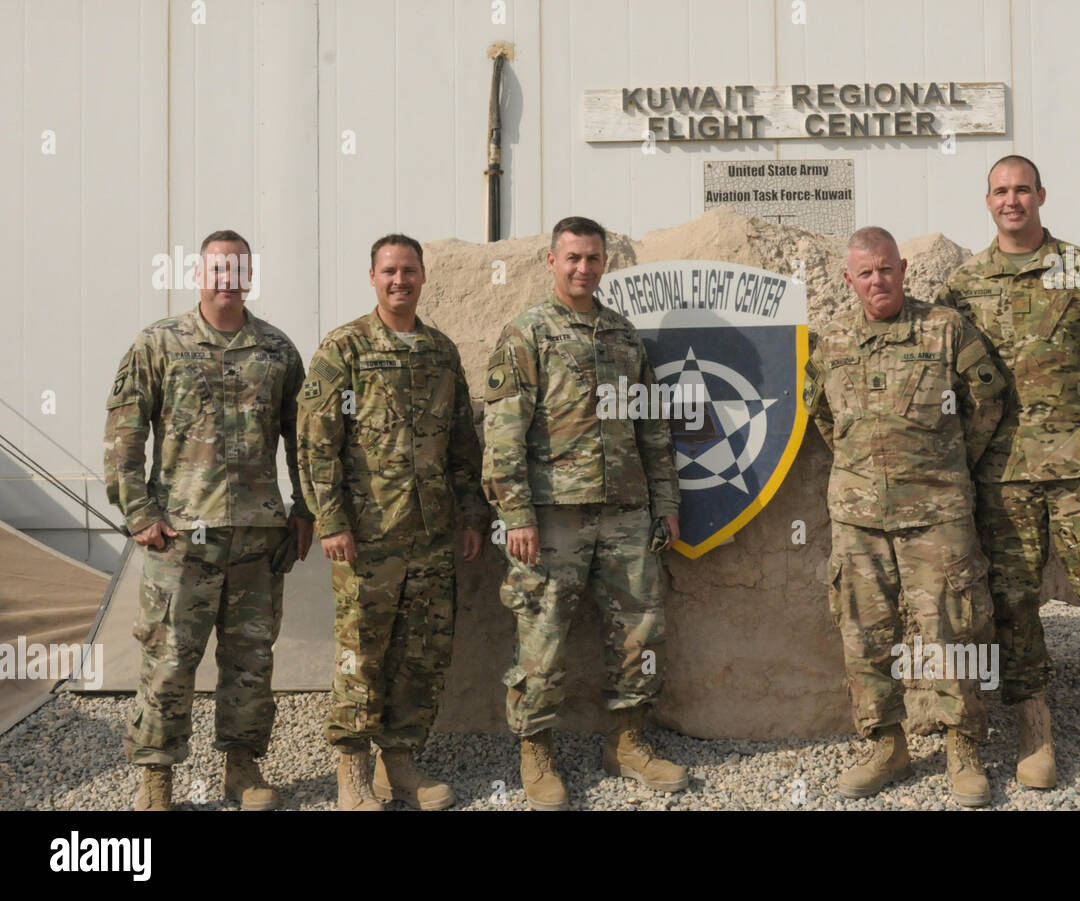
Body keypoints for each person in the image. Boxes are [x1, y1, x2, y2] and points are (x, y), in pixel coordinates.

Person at [934, 155, 1080, 787]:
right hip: (1003, 474)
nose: (1012, 201)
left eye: (1022, 190)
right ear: (988, 202)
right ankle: (1034, 727)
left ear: (1041, 195)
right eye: (1001, 192)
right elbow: (949, 373)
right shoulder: (964, 286)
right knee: (1013, 604)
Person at [104, 229, 313, 811]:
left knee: (250, 661)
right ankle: (156, 778)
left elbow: (304, 439)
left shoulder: (276, 351)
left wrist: (304, 507)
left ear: (249, 276)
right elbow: (125, 430)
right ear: (199, 274)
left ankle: (243, 770)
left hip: (255, 539)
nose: (227, 278)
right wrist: (138, 512)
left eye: (237, 268)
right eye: (216, 268)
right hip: (180, 540)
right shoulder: (159, 344)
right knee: (169, 662)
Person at [481, 216, 685, 810]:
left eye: (593, 258)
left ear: (603, 264)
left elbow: (652, 430)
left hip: (626, 513)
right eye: (572, 257)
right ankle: (535, 751)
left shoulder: (624, 337)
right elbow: (502, 436)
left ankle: (626, 742)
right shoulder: (527, 335)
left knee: (640, 631)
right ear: (551, 262)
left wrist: (665, 503)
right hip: (551, 519)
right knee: (542, 637)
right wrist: (516, 513)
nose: (583, 268)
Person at [804, 227, 1007, 807]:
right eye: (865, 273)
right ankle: (884, 745)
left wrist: (948, 464)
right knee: (864, 636)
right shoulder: (833, 341)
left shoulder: (945, 329)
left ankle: (963, 747)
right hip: (857, 518)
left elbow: (988, 400)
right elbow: (821, 415)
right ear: (850, 280)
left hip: (937, 512)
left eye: (886, 269)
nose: (877, 281)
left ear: (904, 268)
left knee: (952, 629)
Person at [297, 233, 489, 810]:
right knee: (363, 655)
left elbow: (462, 442)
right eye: (389, 271)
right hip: (367, 538)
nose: (399, 280)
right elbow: (315, 443)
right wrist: (330, 520)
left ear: (424, 277)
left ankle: (399, 764)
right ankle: (351, 772)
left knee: (421, 656)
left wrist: (473, 514)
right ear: (373, 277)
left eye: (409, 270)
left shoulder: (440, 351)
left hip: (431, 536)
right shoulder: (344, 349)